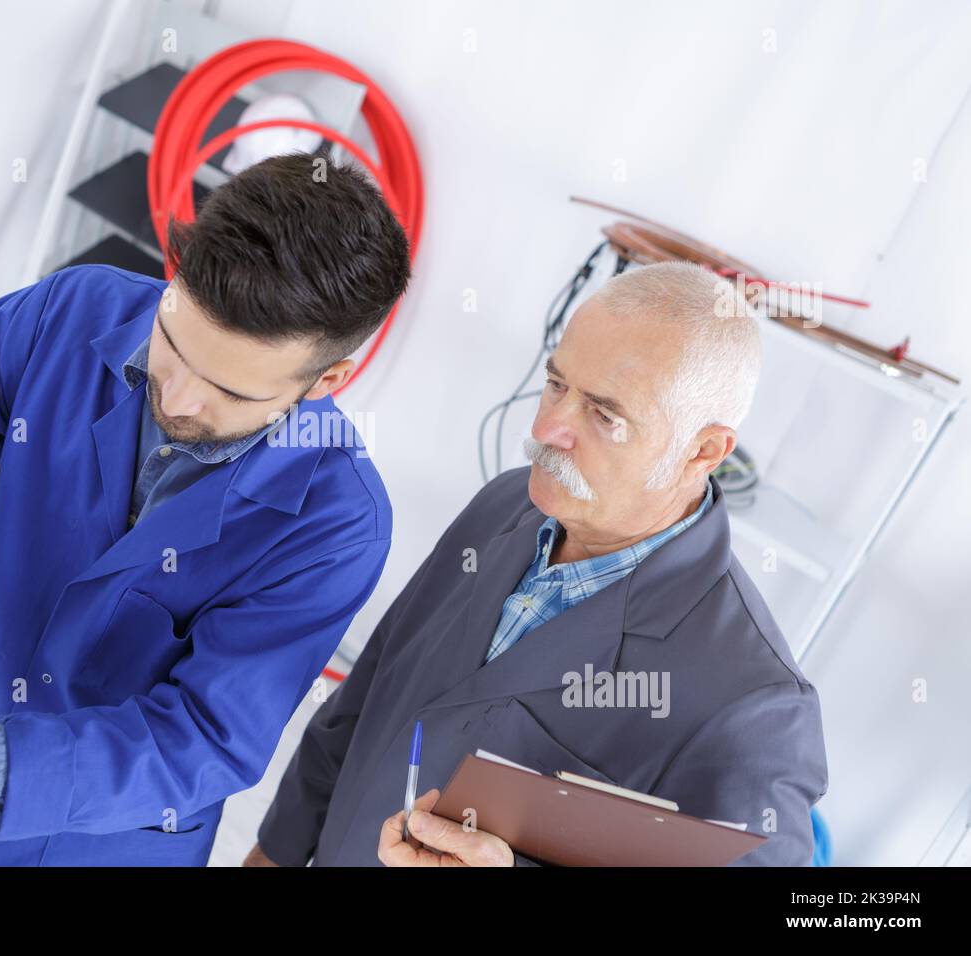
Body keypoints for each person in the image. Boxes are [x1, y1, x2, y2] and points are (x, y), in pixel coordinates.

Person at [0, 152, 411, 866]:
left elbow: (201, 738)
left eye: (231, 392)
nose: (179, 400)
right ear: (173, 278)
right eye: (174, 346)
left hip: (100, 839)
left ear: (328, 379)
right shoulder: (72, 312)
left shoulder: (337, 523)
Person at [246, 261, 828, 867]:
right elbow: (363, 703)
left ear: (702, 451)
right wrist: (271, 854)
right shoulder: (504, 505)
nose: (549, 427)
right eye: (557, 384)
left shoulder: (754, 705)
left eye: (604, 415)